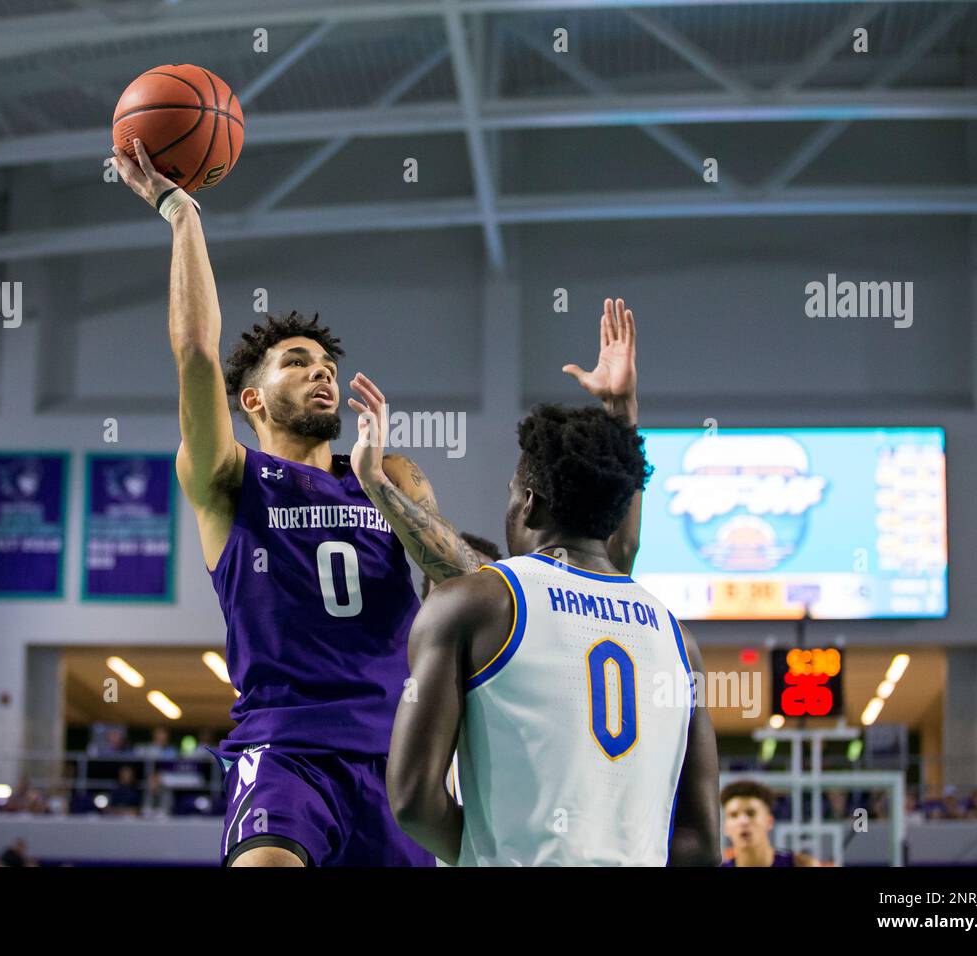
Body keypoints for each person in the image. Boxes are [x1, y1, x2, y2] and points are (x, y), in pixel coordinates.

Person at [112, 142, 646, 867]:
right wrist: (182, 217)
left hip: (398, 762)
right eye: (296, 363)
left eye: (327, 365)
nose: (320, 373)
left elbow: (461, 579)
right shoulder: (229, 480)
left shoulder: (389, 471)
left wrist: (380, 490)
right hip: (286, 751)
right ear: (253, 399)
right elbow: (197, 353)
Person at [387, 404, 719, 865]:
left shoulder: (474, 602)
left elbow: (412, 801)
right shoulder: (678, 639)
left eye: (510, 494)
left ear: (530, 501)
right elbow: (701, 844)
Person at [719, 780, 820, 866]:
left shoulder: (801, 865)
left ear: (769, 821)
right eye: (734, 815)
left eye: (751, 813)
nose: (743, 821)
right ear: (726, 827)